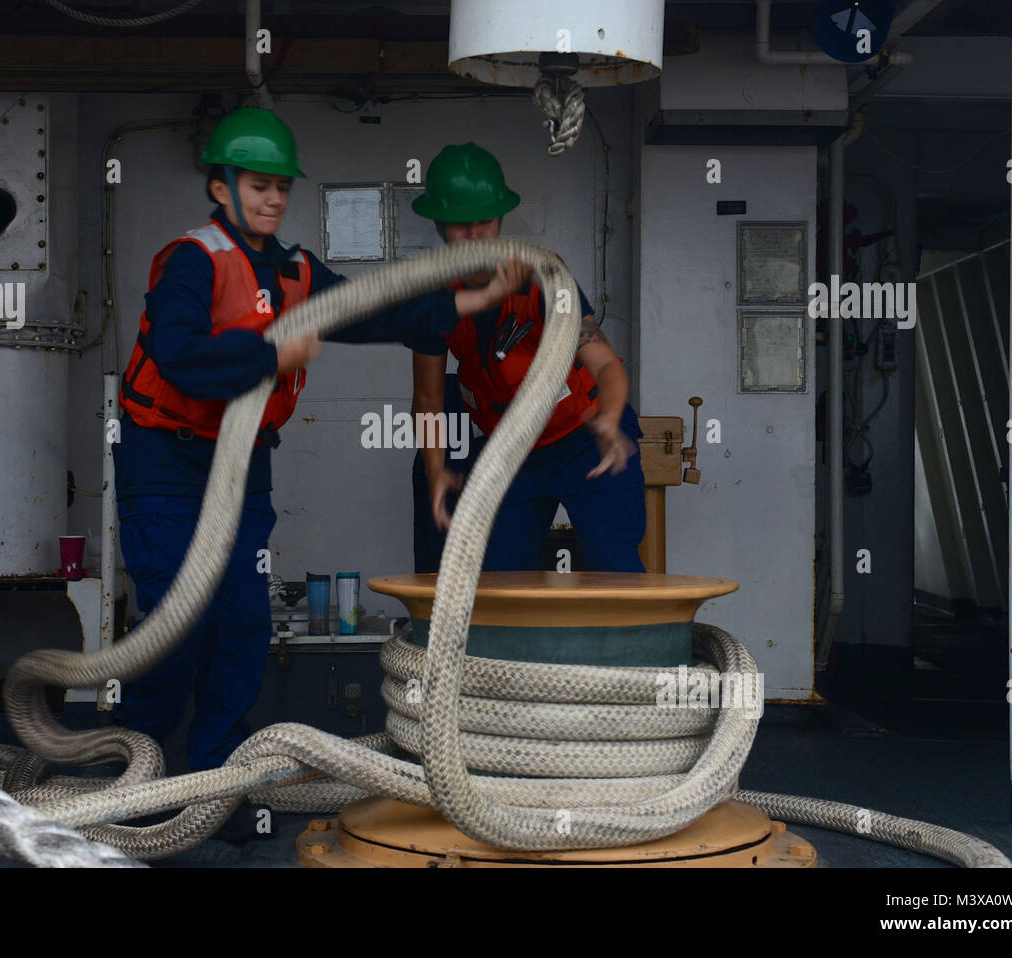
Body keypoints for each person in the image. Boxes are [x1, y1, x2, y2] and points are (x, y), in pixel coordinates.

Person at [114, 110, 526, 783]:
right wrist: (266, 350)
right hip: (167, 460)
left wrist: (471, 302)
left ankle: (222, 781)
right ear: (220, 187)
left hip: (244, 466)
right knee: (174, 624)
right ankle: (137, 774)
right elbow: (179, 355)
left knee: (244, 623)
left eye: (281, 187)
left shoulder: (298, 271)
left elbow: (379, 309)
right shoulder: (191, 260)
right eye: (257, 185)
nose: (273, 198)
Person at [406, 142, 648, 573]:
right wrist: (436, 468)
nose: (474, 235)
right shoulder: (432, 299)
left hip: (586, 438)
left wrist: (610, 419)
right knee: (499, 580)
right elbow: (427, 399)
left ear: (500, 220)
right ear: (439, 225)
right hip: (512, 451)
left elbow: (607, 365)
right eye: (461, 225)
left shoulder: (544, 279)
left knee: (616, 572)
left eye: (484, 222)